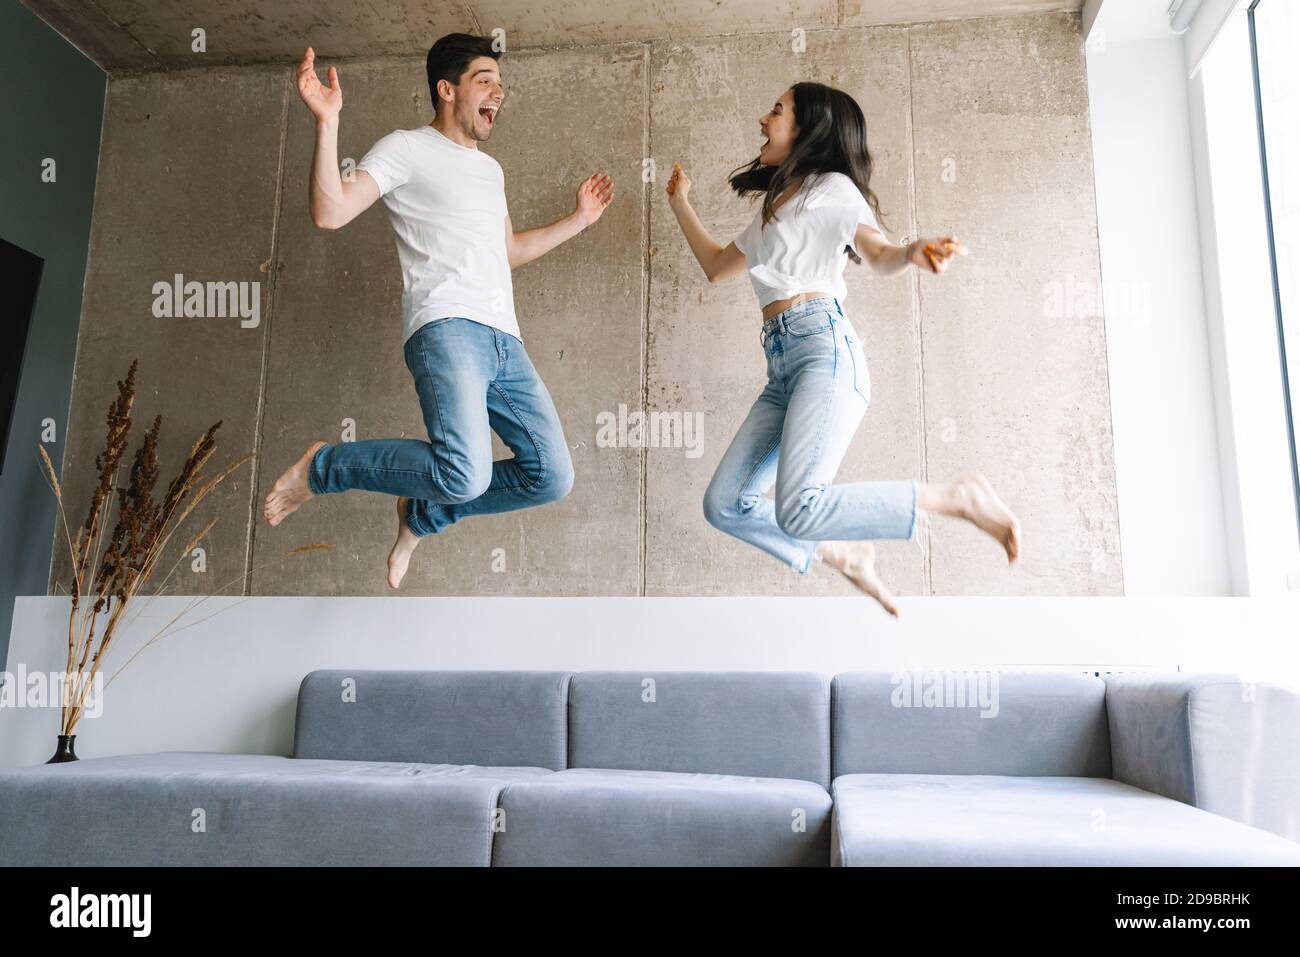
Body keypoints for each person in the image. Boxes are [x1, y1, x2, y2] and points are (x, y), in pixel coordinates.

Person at [263, 34, 614, 588]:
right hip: (446, 328)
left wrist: (579, 220)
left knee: (551, 476)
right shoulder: (406, 148)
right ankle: (323, 468)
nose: (499, 92)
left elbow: (506, 252)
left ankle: (421, 514)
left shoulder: (490, 170)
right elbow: (331, 213)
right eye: (485, 81)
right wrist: (328, 123)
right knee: (464, 474)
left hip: (505, 340)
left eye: (500, 83)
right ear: (447, 90)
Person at [665, 82, 1020, 617]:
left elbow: (877, 253)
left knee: (799, 507)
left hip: (823, 353)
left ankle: (956, 497)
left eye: (777, 111)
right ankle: (841, 552)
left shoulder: (832, 189)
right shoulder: (774, 208)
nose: (764, 119)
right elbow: (716, 267)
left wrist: (911, 250)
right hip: (782, 368)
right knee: (724, 503)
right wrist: (679, 203)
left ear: (808, 130)